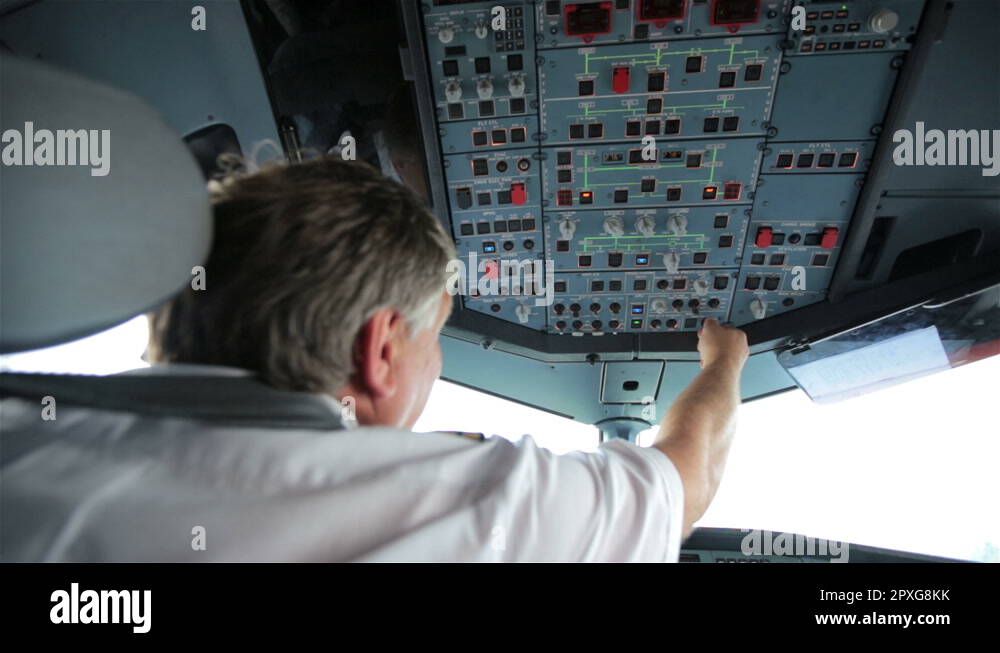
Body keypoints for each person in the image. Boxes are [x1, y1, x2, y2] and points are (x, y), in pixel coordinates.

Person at [0, 157, 748, 562]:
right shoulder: (456, 502)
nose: (436, 366)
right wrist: (726, 357)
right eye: (437, 338)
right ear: (382, 350)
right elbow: (689, 476)